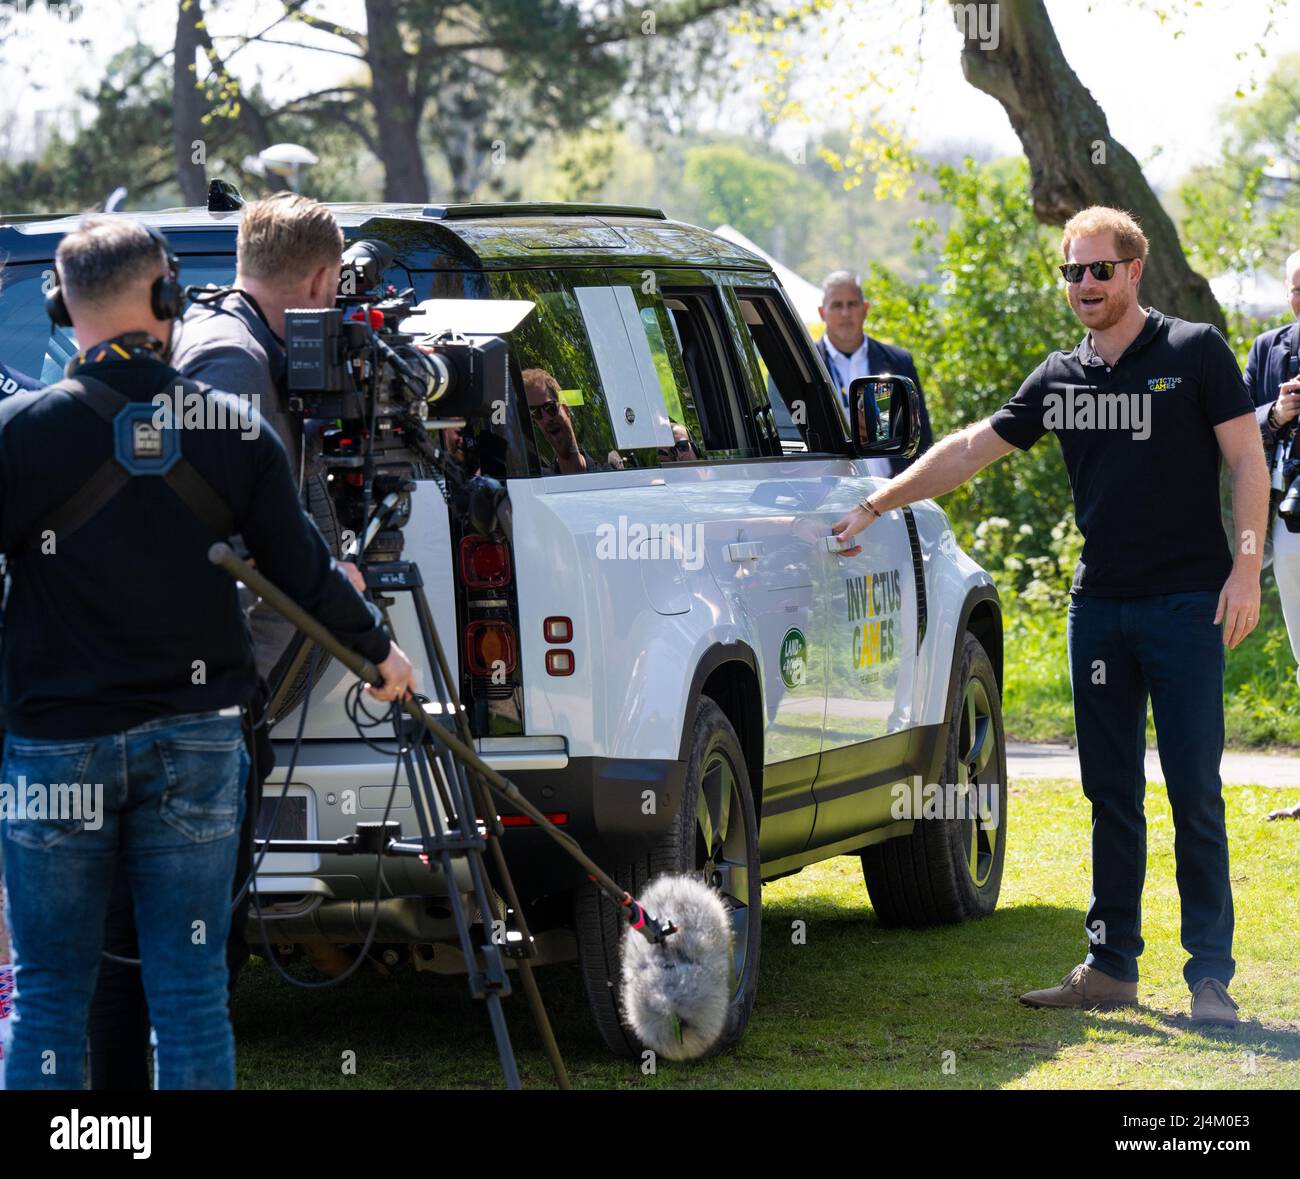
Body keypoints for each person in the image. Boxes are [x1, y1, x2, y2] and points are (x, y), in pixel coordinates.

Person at [0, 215, 415, 1090]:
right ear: (165, 298)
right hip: (194, 744)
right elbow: (306, 572)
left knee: (48, 993)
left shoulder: (20, 433)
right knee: (189, 990)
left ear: (59, 308)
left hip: (53, 745)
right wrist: (381, 656)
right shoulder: (229, 428)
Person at [832, 206, 1267, 1027]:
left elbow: (1247, 459)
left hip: (1188, 606)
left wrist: (1247, 567)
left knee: (1193, 793)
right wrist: (880, 500)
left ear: (1134, 271)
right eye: (1073, 272)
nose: (1087, 286)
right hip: (1099, 609)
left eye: (1100, 270)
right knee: (1109, 792)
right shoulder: (1061, 379)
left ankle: (1211, 977)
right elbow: (969, 446)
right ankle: (1110, 967)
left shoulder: (1194, 351)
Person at [815, 270, 933, 471]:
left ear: (865, 308)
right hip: (829, 494)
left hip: (890, 491)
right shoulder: (803, 365)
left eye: (852, 304)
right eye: (836, 305)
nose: (845, 313)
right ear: (822, 313)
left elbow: (921, 438)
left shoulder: (899, 362)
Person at [523, 368, 599, 474]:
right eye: (536, 412)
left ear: (565, 407)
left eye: (550, 407)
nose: (546, 419)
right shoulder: (541, 484)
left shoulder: (611, 475)